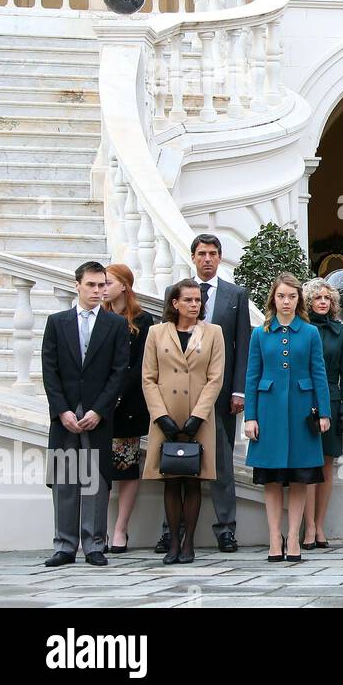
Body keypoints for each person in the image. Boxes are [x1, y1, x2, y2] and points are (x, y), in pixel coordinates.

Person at [158, 234, 250, 555]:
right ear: (193, 257)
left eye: (213, 253)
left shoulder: (235, 294)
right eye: (202, 253)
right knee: (175, 463)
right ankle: (171, 530)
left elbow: (242, 345)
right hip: (178, 395)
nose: (207, 259)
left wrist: (239, 390)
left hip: (222, 393)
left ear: (220, 257)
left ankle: (226, 529)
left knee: (222, 462)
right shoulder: (176, 292)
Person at [41, 261, 130, 567]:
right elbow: (49, 371)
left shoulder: (115, 325)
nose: (97, 291)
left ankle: (94, 544)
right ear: (77, 285)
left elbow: (119, 372)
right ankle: (64, 545)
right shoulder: (56, 322)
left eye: (102, 285)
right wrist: (62, 410)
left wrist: (99, 410)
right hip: (64, 414)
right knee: (65, 480)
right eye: (91, 285)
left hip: (98, 414)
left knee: (95, 480)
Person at [244, 273, 331, 563]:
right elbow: (252, 376)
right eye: (281, 296)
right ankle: (273, 537)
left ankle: (293, 536)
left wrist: (324, 413)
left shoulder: (309, 332)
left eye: (292, 296)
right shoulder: (260, 333)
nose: (286, 301)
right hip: (268, 413)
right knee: (271, 479)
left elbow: (319, 374)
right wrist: (250, 417)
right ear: (273, 298)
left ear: (299, 300)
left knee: (299, 478)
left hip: (302, 411)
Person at [141, 279, 225, 564]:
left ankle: (189, 542)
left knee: (193, 481)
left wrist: (197, 417)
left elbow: (215, 379)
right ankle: (173, 543)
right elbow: (148, 378)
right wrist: (160, 416)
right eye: (187, 300)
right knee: (170, 480)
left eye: (197, 300)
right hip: (165, 415)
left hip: (198, 418)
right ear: (174, 303)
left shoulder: (213, 333)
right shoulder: (156, 332)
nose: (193, 305)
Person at [102, 263, 154, 554]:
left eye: (109, 282)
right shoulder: (100, 317)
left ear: (124, 285)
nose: (104, 287)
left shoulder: (142, 320)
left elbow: (142, 364)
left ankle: (121, 529)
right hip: (100, 404)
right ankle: (99, 529)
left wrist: (119, 392)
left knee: (127, 467)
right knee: (99, 470)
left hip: (130, 402)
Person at [301, 279, 343, 551]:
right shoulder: (300, 330)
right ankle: (307, 525)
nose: (323, 302)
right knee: (307, 465)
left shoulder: (341, 332)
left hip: (331, 403)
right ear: (308, 301)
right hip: (303, 400)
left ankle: (319, 524)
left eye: (327, 298)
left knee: (326, 465)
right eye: (317, 297)